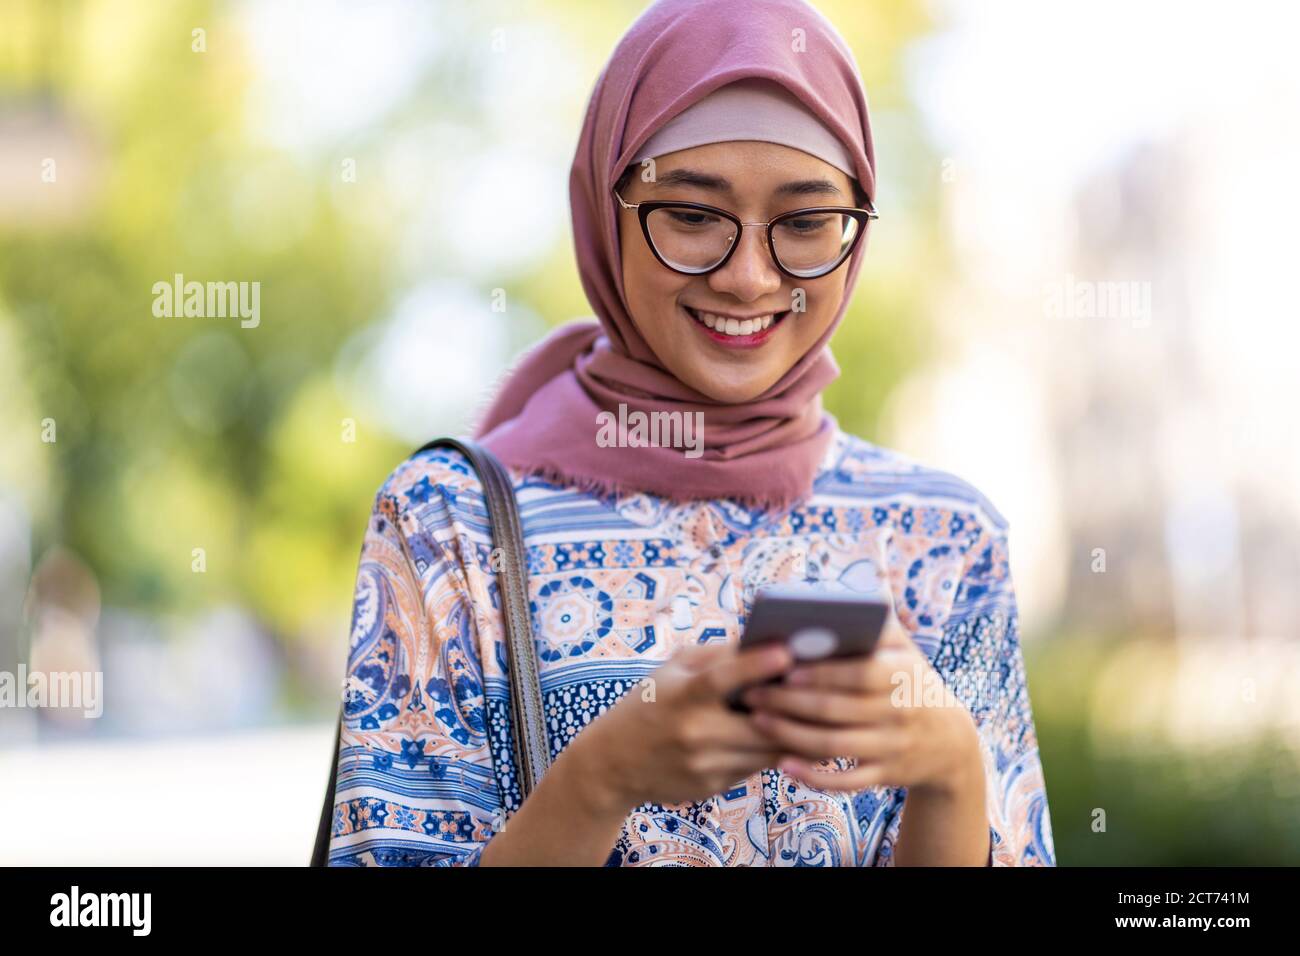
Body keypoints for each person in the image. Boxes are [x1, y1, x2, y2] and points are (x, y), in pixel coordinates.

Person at [325, 0, 1055, 867]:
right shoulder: (447, 525)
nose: (749, 278)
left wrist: (953, 772)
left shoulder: (949, 536)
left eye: (807, 223)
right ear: (609, 205)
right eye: (693, 216)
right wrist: (597, 782)